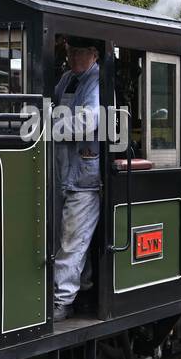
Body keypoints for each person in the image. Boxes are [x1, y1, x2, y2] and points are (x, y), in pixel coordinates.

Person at [52, 39, 101, 321]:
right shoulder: (68, 79)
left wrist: (49, 124)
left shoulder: (96, 80)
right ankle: (82, 290)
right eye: (70, 52)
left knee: (73, 240)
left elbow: (87, 122)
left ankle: (62, 302)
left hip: (85, 175)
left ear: (93, 54)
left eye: (78, 52)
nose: (71, 57)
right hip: (64, 170)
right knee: (69, 238)